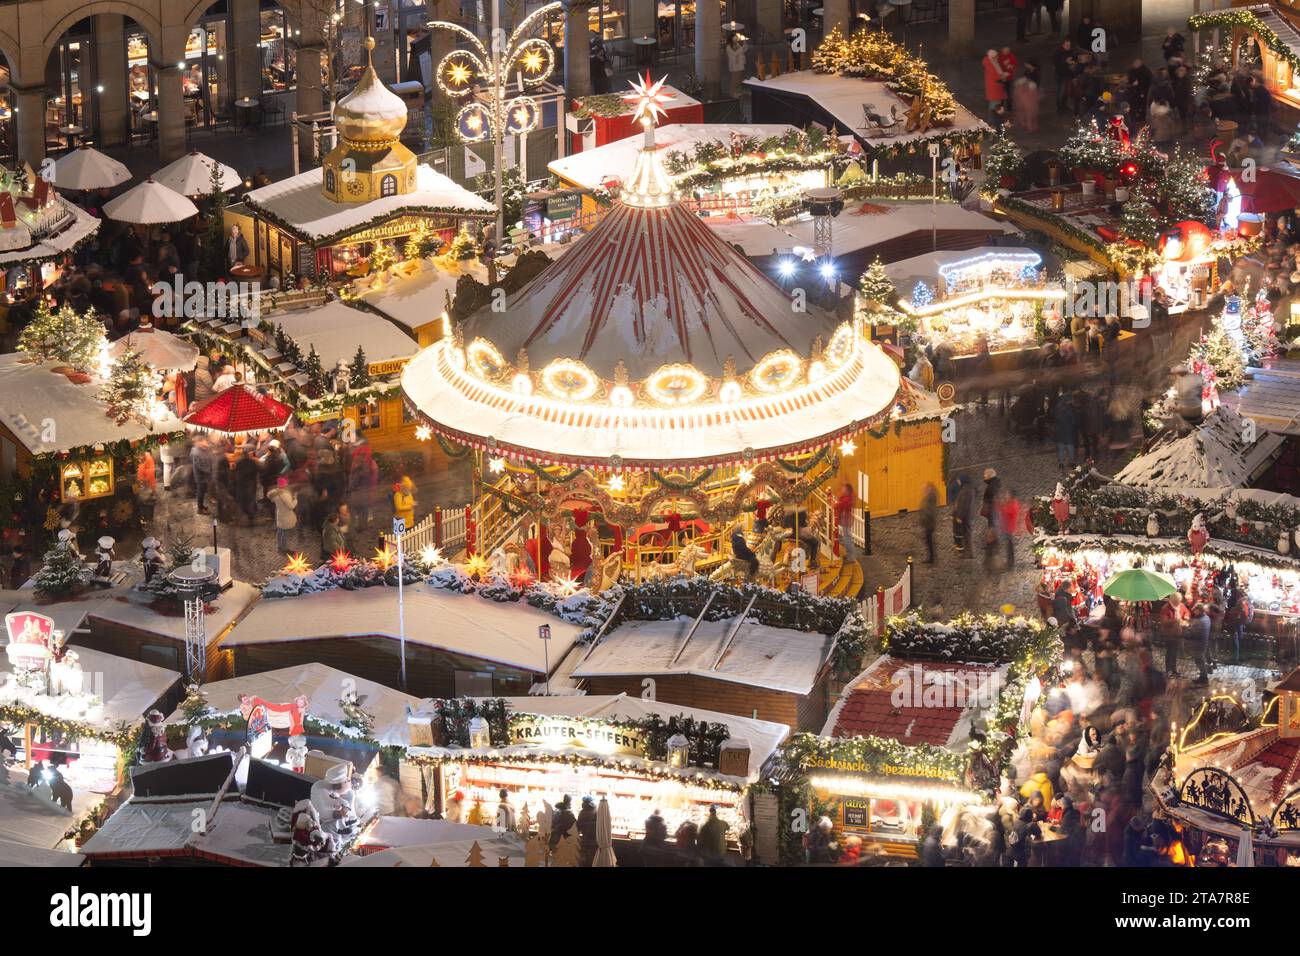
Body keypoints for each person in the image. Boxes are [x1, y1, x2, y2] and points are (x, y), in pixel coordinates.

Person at [1160, 591, 1189, 677]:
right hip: (1169, 634)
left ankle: (1174, 670)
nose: (1178, 603)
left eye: (1179, 601)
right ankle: (1168, 671)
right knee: (1170, 652)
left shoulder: (1181, 605)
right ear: (1172, 600)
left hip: (1178, 633)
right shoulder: (1166, 608)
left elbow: (1186, 611)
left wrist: (1186, 616)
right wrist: (1175, 621)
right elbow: (1164, 621)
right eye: (1176, 602)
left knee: (1175, 652)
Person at [268, 476, 298, 552]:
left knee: (280, 531)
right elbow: (291, 506)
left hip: (279, 513)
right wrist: (295, 499)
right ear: (285, 484)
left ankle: (280, 546)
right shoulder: (284, 495)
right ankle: (284, 549)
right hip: (286, 515)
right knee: (284, 533)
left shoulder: (275, 493)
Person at [1188, 602, 1212, 684]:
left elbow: (1192, 633)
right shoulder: (1207, 618)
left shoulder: (1198, 621)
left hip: (1198, 644)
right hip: (1204, 642)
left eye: (1195, 610)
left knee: (1199, 661)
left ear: (1199, 610)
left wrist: (1186, 629)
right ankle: (1203, 677)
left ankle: (1204, 678)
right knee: (1201, 660)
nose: (1194, 611)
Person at [953, 473, 975, 559]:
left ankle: (969, 553)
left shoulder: (966, 490)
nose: (958, 482)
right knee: (967, 533)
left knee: (967, 534)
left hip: (965, 516)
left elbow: (964, 505)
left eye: (959, 480)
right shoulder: (967, 488)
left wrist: (959, 516)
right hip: (967, 515)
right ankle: (968, 552)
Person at [1054, 391, 1077, 468]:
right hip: (1068, 430)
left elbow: (1054, 417)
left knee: (1061, 447)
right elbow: (1073, 421)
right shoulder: (1069, 409)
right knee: (1070, 447)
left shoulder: (1057, 407)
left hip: (1060, 431)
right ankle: (1071, 461)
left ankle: (1061, 462)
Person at [190, 438, 213, 514]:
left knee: (202, 491)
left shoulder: (201, 450)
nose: (206, 442)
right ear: (200, 442)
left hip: (204, 475)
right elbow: (199, 466)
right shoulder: (196, 452)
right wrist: (208, 470)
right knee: (200, 492)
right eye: (205, 441)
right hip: (200, 476)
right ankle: (200, 509)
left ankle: (202, 506)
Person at [834, 482, 856, 561]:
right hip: (846, 519)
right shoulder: (847, 498)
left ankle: (851, 557)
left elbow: (837, 505)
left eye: (843, 489)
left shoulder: (846, 499)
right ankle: (849, 555)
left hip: (846, 519)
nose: (842, 490)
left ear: (847, 490)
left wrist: (835, 503)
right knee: (847, 537)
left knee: (847, 538)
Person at [983, 48, 1010, 113]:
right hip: (995, 88)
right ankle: (994, 117)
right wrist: (1004, 76)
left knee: (996, 103)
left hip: (997, 87)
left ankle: (996, 115)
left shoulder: (992, 62)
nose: (997, 57)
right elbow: (994, 76)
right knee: (995, 104)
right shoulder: (990, 64)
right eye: (996, 56)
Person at [575, 796, 598, 866]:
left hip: (585, 841)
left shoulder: (582, 812)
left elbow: (577, 827)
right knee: (593, 861)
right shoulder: (597, 811)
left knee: (584, 861)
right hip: (595, 842)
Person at [919, 483, 938, 564]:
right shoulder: (927, 497)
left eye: (924, 489)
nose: (922, 490)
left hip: (929, 523)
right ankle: (931, 556)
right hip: (927, 522)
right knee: (928, 540)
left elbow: (930, 511)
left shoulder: (930, 498)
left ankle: (931, 558)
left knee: (929, 541)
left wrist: (924, 515)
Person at [725, 33, 748, 99]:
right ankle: (733, 93)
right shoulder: (728, 46)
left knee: (739, 79)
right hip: (734, 65)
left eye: (736, 38)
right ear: (731, 39)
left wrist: (745, 45)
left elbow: (743, 51)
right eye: (734, 38)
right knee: (734, 79)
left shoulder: (737, 44)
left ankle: (738, 91)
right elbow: (734, 54)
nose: (736, 39)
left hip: (740, 64)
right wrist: (741, 49)